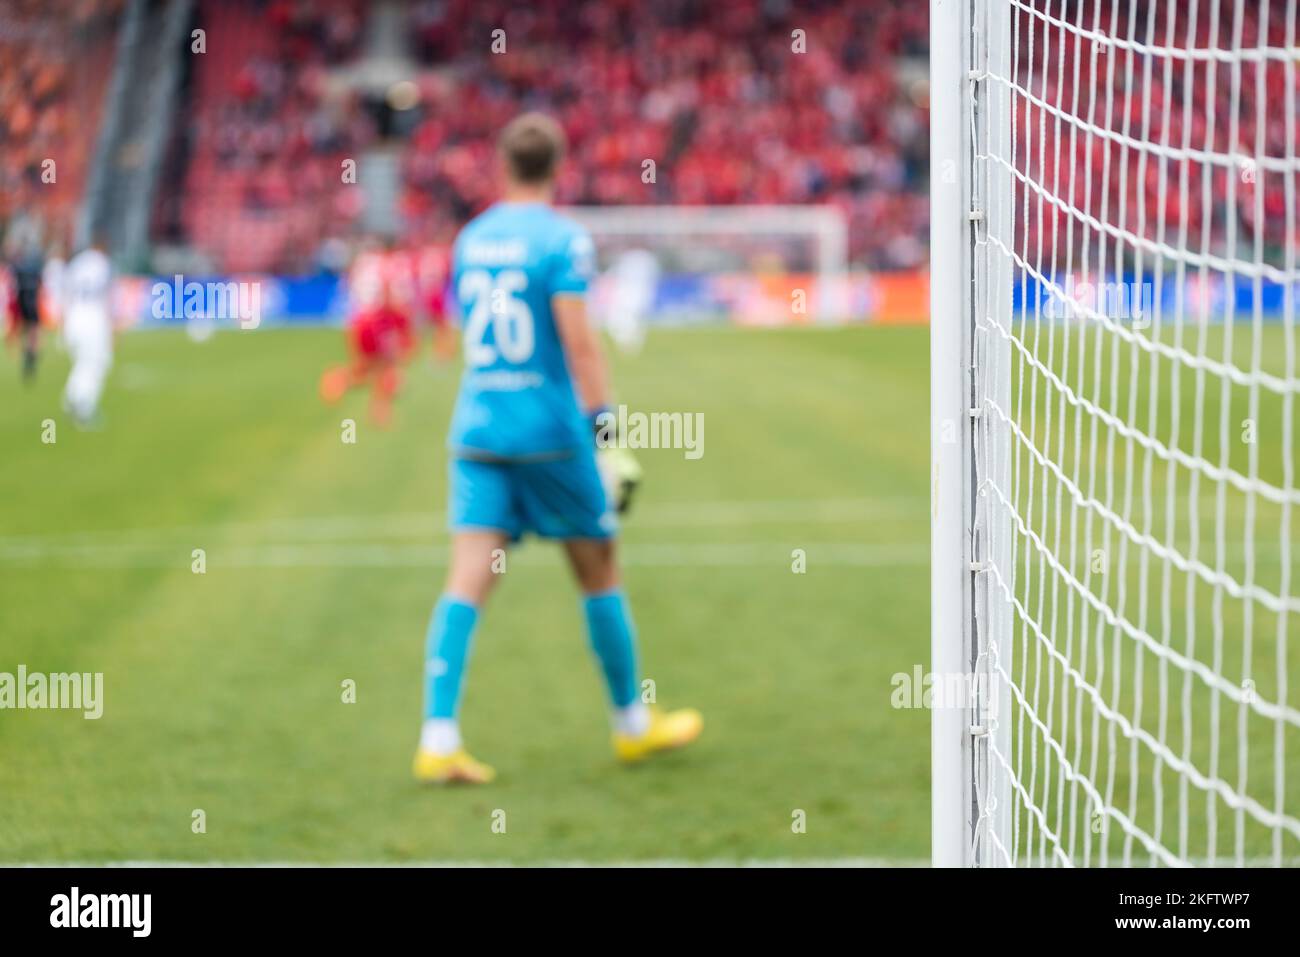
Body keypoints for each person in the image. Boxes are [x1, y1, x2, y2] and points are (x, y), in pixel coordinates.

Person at [414, 113, 701, 785]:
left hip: (479, 427)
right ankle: (632, 724)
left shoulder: (472, 238)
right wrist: (609, 440)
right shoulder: (563, 240)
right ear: (559, 165)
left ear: (501, 165)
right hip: (547, 432)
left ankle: (437, 735)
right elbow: (580, 345)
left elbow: (463, 326)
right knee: (598, 567)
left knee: (466, 579)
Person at [61, 237, 114, 427]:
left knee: (82, 362)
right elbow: (107, 296)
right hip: (93, 319)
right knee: (96, 363)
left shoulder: (77, 262)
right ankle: (84, 406)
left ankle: (71, 397)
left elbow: (64, 291)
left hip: (73, 318)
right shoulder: (102, 264)